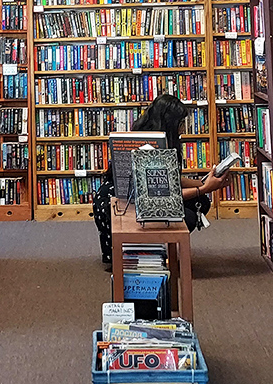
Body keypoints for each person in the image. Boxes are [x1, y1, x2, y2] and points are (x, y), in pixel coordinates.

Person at [92, 93, 230, 265]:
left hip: (139, 197)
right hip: (120, 200)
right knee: (188, 215)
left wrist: (204, 182)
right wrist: (204, 188)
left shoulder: (152, 137)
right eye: (180, 124)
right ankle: (143, 253)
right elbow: (159, 197)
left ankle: (153, 248)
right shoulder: (149, 146)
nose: (182, 129)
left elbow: (170, 179)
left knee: (200, 201)